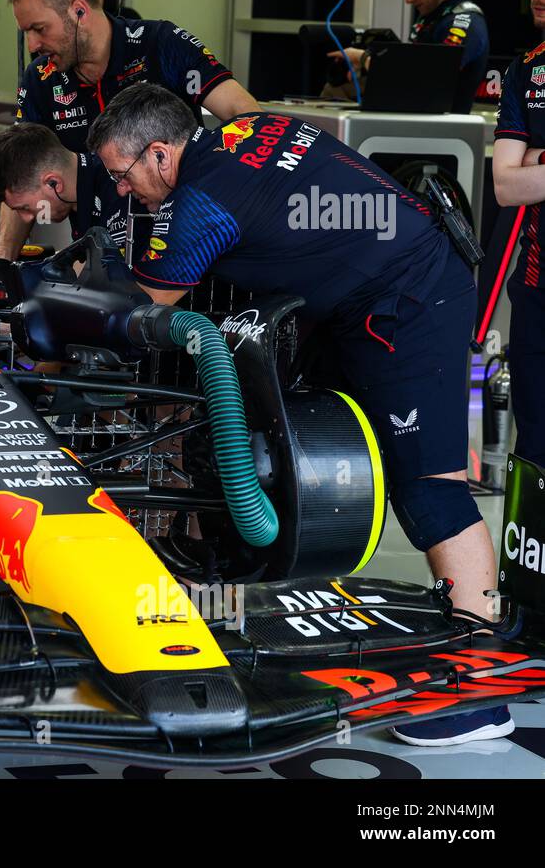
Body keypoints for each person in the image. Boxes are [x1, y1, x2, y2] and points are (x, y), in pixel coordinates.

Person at [91, 82, 507, 747]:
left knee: (430, 489)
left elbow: (145, 306)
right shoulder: (247, 130)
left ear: (162, 155)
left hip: (412, 294)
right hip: (360, 296)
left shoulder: (201, 199)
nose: (121, 190)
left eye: (123, 174)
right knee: (302, 451)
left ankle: (478, 686)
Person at [0, 0, 258, 264]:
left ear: (78, 11)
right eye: (26, 32)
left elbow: (246, 115)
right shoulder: (41, 80)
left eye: (39, 28)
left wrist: (230, 201)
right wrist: (1, 266)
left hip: (190, 251)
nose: (33, 45)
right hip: (105, 266)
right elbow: (19, 174)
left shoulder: (160, 44)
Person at [489, 0, 545, 474]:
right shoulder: (527, 71)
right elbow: (506, 184)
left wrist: (537, 160)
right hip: (537, 292)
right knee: (535, 454)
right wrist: (528, 165)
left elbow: (524, 169)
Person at [329, 0, 488, 115]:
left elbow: (424, 81)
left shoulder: (465, 22)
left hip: (444, 137)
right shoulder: (432, 17)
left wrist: (365, 59)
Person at [0, 122, 122, 243]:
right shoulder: (76, 195)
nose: (26, 218)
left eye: (24, 208)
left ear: (53, 183)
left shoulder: (119, 187)